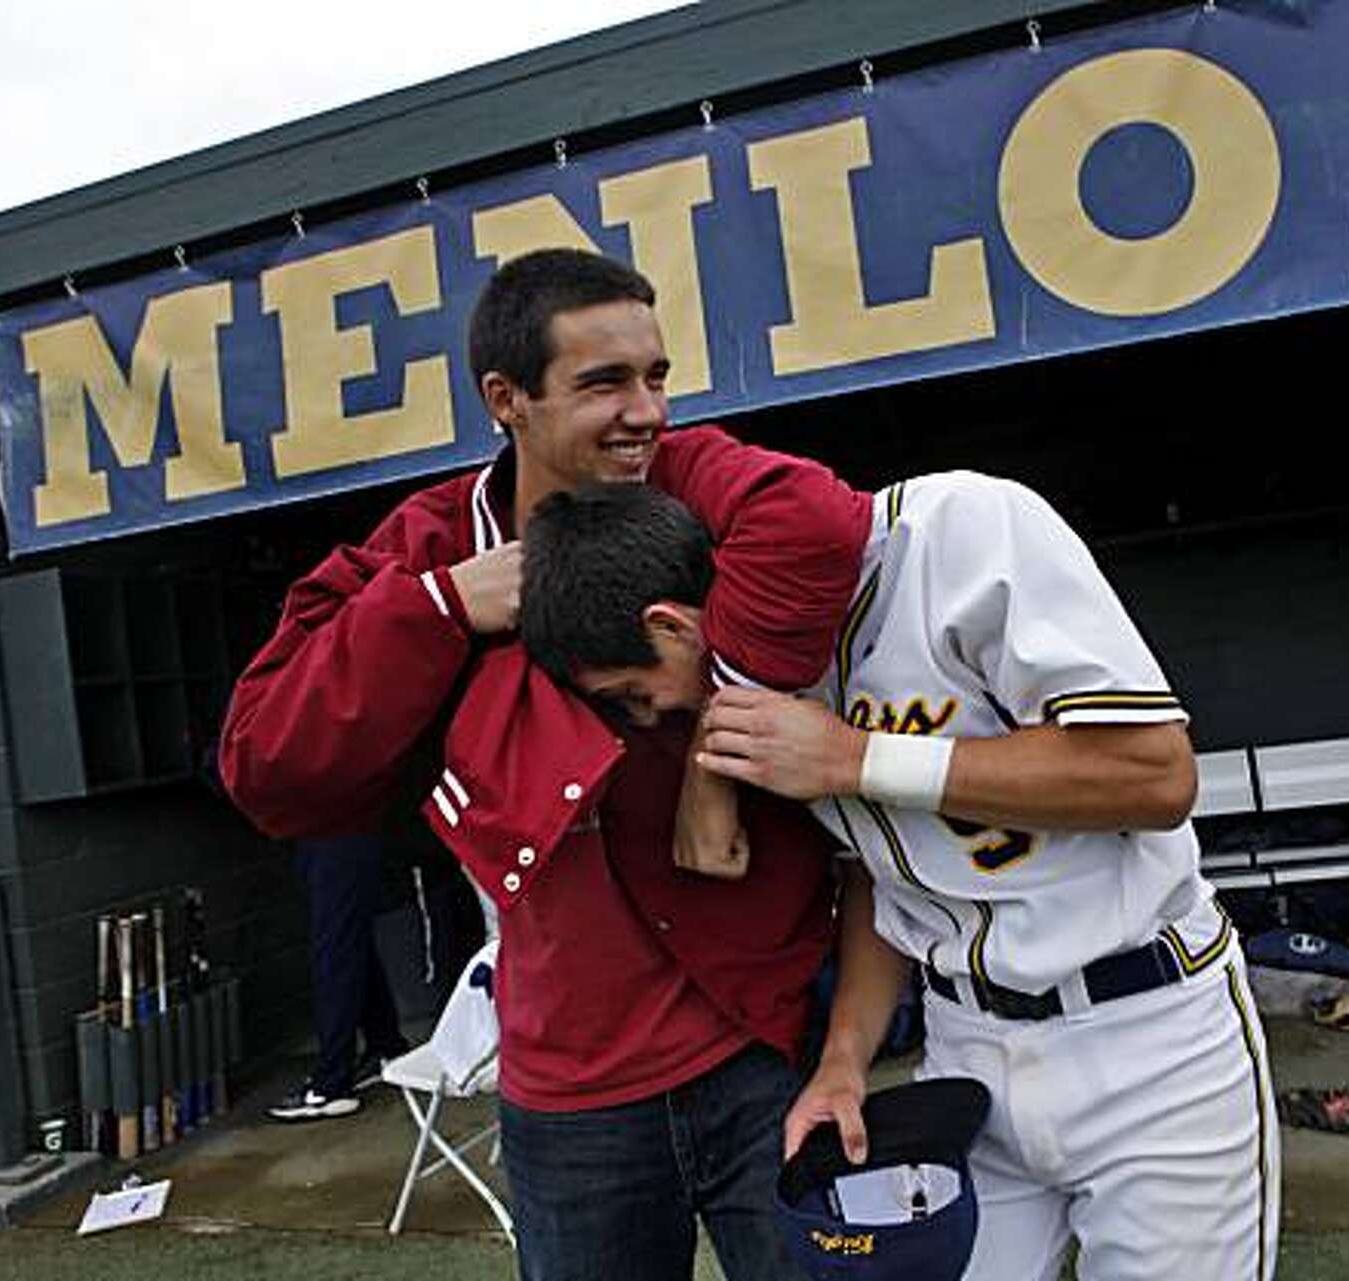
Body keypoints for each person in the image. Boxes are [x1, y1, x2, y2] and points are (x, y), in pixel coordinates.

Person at [220, 248, 870, 1281]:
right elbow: (266, 764)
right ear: (506, 399)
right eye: (604, 383)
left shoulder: (692, 479)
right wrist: (441, 609)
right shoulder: (431, 546)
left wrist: (713, 722)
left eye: (656, 375)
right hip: (572, 1092)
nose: (646, 412)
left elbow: (822, 517)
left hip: (762, 1044)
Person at [520, 476, 1281, 1281]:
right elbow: (877, 876)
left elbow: (1157, 776)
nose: (652, 718)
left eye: (635, 694)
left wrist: (859, 757)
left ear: (669, 624)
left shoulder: (961, 529)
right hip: (966, 1047)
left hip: (1147, 1032)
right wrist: (844, 1059)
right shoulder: (767, 671)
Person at [265, 833, 412, 1122]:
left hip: (336, 823)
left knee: (335, 950)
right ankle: (386, 1045)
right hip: (334, 824)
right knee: (349, 940)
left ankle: (332, 1086)